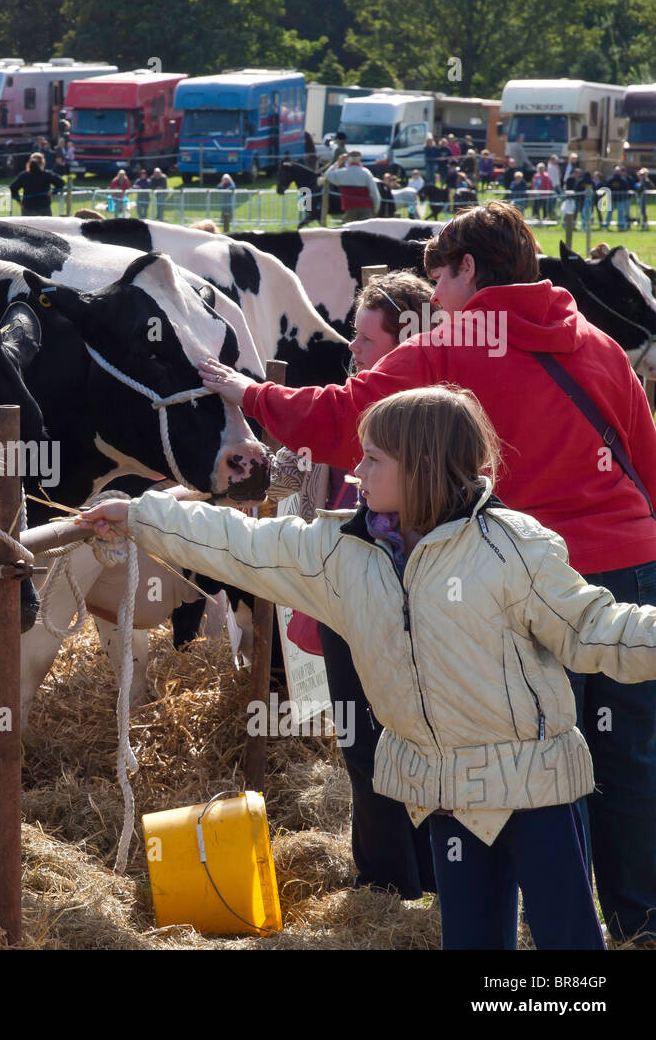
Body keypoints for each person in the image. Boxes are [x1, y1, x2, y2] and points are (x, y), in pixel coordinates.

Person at [197, 200, 656, 946]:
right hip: (633, 562)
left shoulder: (452, 347)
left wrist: (248, 394)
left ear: (468, 269)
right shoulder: (598, 342)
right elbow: (644, 456)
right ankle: (638, 921)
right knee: (631, 757)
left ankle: (565, 940)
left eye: (437, 277)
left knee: (545, 763)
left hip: (530, 578)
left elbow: (343, 419)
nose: (433, 297)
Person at [82, 383, 656, 950]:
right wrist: (139, 516)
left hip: (536, 789)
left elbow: (595, 629)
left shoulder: (514, 550)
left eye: (374, 458)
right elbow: (242, 544)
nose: (356, 470)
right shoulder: (343, 553)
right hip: (444, 791)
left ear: (422, 467)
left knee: (570, 947)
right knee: (471, 942)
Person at [266, 270, 439, 900]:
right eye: (354, 338)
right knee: (376, 741)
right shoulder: (387, 409)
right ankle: (407, 875)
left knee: (373, 743)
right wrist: (283, 471)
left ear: (409, 342)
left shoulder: (406, 415)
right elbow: (313, 474)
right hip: (360, 593)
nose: (354, 352)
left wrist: (247, 392)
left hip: (382, 597)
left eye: (366, 339)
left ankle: (392, 886)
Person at [322, 150, 380, 222]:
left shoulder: (342, 173)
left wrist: (338, 162)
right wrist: (375, 209)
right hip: (367, 208)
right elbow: (374, 194)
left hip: (350, 209)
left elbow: (327, 175)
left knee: (350, 231)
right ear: (360, 158)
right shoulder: (366, 173)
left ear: (348, 159)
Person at [606, 164, 632, 230]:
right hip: (612, 200)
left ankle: (621, 227)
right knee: (609, 213)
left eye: (618, 171)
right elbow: (607, 188)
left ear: (620, 172)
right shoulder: (610, 179)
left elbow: (626, 189)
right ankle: (606, 226)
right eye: (616, 171)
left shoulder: (623, 180)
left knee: (620, 214)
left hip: (621, 200)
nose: (617, 172)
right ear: (614, 171)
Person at [636, 167, 651, 231]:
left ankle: (645, 225)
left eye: (642, 174)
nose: (640, 175)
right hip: (640, 197)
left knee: (643, 212)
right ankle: (643, 225)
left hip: (643, 197)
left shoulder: (646, 181)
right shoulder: (641, 181)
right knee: (642, 212)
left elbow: (651, 187)